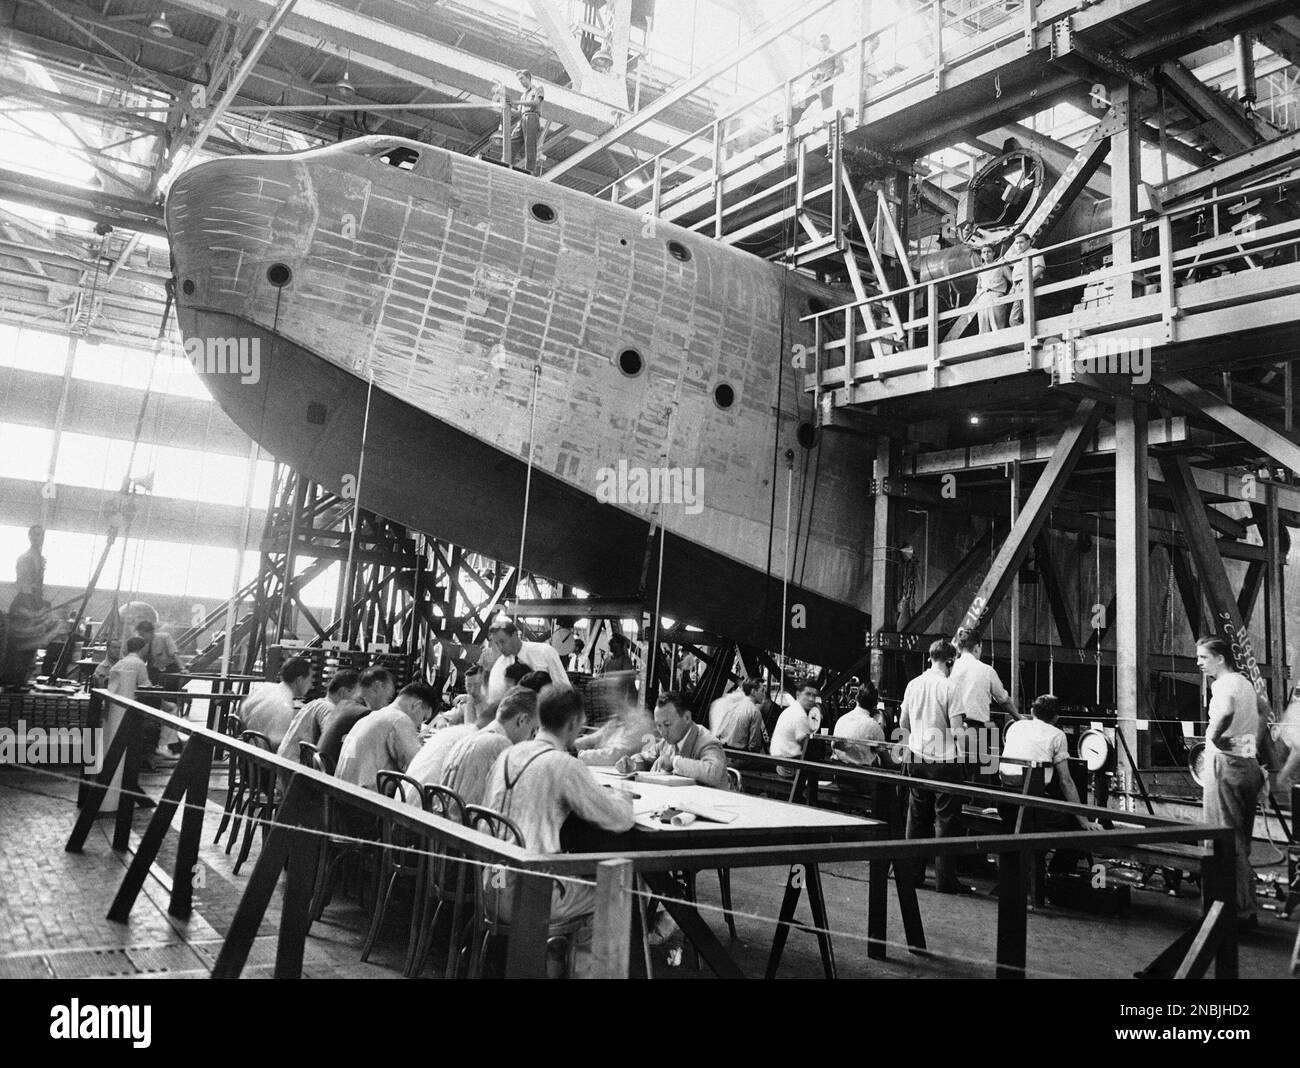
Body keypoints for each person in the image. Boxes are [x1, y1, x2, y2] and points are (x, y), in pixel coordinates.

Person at [479, 685, 635, 976]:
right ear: (575, 723)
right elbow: (618, 820)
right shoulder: (562, 764)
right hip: (528, 897)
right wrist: (623, 797)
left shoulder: (508, 755)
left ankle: (552, 959)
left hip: (492, 885)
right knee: (612, 892)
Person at [1196, 637, 1267, 927]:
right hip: (1248, 763)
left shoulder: (1223, 685)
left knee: (1221, 837)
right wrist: (1253, 744)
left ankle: (1231, 911)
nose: (1199, 663)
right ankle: (1244, 906)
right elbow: (1264, 711)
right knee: (1240, 840)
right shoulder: (1245, 683)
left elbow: (1224, 712)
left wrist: (1211, 739)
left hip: (1225, 763)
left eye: (1203, 657)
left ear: (1220, 658)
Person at [900, 639, 968, 894]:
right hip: (945, 762)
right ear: (950, 661)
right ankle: (945, 882)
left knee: (916, 819)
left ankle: (911, 874)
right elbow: (957, 730)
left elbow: (903, 722)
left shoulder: (913, 685)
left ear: (931, 657)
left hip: (916, 758)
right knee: (946, 823)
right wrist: (969, 755)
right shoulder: (950, 687)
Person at [998, 694, 1092, 872]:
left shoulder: (1016, 726)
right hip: (1032, 808)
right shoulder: (1058, 735)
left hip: (1005, 803)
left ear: (1032, 711)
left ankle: (1019, 877)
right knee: (1074, 828)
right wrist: (1084, 820)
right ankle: (1055, 877)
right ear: (1056, 718)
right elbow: (1066, 781)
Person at [438, 685, 538, 807]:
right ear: (523, 720)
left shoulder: (470, 737)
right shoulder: (500, 745)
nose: (531, 739)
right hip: (464, 824)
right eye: (533, 730)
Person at [335, 681, 436, 790]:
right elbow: (419, 767)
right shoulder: (400, 719)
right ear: (416, 705)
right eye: (423, 718)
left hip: (344, 793)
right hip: (365, 800)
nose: (419, 725)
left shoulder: (373, 716)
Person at [616, 691, 728, 787]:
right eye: (658, 726)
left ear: (687, 718)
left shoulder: (707, 742)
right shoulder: (667, 743)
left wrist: (674, 761)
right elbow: (646, 757)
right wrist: (632, 763)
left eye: (667, 724)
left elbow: (713, 772)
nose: (663, 731)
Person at [104, 636, 158, 809]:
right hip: (128, 713)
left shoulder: (120, 663)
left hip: (115, 711)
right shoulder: (139, 664)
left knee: (114, 751)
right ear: (143, 648)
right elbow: (146, 687)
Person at [947, 634, 1017, 759]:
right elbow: (1003, 700)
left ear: (959, 648)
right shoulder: (986, 670)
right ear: (977, 647)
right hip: (975, 731)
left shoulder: (949, 669)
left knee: (953, 774)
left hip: (948, 729)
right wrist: (1018, 717)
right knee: (978, 774)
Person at [276, 668, 361, 765]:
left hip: (285, 762)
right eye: (358, 696)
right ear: (343, 692)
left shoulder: (313, 704)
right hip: (297, 769)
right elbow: (332, 740)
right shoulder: (329, 709)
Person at [317, 666, 395, 769]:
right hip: (335, 778)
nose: (386, 706)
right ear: (377, 687)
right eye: (388, 700)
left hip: (322, 771)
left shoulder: (343, 705)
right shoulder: (363, 714)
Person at [485, 618, 570, 704]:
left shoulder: (545, 652)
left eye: (502, 642)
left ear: (514, 635)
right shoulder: (499, 666)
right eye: (496, 643)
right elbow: (494, 698)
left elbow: (564, 688)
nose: (500, 648)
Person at [239, 656, 313, 751]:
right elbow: (277, 746)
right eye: (310, 680)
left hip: (245, 751)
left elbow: (243, 712)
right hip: (262, 758)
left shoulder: (263, 688)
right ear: (299, 680)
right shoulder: (285, 707)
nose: (311, 685)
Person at [770, 681, 818, 776]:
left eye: (814, 696)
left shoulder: (791, 709)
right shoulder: (800, 715)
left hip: (780, 762)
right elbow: (806, 745)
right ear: (798, 695)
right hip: (789, 767)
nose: (811, 699)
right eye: (808, 694)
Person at [833, 684, 887, 768]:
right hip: (864, 776)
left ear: (856, 698)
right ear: (875, 704)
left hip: (840, 772)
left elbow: (833, 746)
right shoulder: (874, 727)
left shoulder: (841, 720)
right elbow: (886, 760)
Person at [709, 677, 766, 752]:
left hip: (722, 751)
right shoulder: (754, 711)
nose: (764, 694)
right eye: (762, 691)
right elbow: (754, 746)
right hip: (739, 756)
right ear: (753, 692)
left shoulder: (732, 704)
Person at [1006, 232, 1045, 327]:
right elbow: (1016, 277)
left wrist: (1026, 283)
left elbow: (1039, 268)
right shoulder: (1019, 257)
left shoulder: (1034, 252)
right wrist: (1014, 288)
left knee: (1028, 315)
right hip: (1019, 286)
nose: (1018, 245)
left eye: (1021, 242)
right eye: (1016, 243)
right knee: (1014, 319)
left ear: (1028, 242)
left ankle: (1028, 337)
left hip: (1030, 282)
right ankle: (1022, 338)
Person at [510, 69, 544, 175]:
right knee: (513, 140)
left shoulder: (538, 89)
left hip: (532, 117)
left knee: (530, 144)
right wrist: (508, 107)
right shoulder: (523, 95)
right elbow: (518, 112)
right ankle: (506, 162)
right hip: (523, 118)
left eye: (522, 79)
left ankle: (529, 170)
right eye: (519, 79)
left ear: (528, 78)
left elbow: (535, 103)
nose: (520, 82)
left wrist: (515, 102)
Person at [974, 244, 1011, 332]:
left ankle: (1000, 345)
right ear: (982, 255)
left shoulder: (1001, 265)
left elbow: (1012, 279)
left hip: (996, 295)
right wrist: (980, 296)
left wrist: (1010, 293)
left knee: (997, 326)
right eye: (984, 252)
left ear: (993, 253)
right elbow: (978, 286)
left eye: (989, 252)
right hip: (983, 298)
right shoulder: (980, 269)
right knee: (983, 327)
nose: (986, 254)